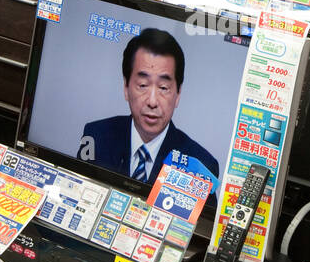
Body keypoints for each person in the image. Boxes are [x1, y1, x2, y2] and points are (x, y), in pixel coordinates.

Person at [80, 28, 219, 185]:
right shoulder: (95, 136)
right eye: (143, 85)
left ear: (178, 94)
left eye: (164, 87)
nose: (152, 102)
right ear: (126, 88)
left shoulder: (201, 166)